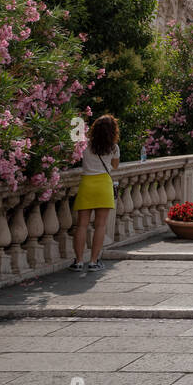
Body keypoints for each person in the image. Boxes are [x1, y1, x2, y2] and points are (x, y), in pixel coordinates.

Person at [71, 114, 120, 272]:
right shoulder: (113, 147)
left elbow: (73, 149)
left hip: (87, 184)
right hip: (103, 185)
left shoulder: (85, 145)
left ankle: (78, 261)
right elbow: (115, 166)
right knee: (100, 225)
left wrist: (77, 122)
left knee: (82, 225)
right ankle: (93, 261)